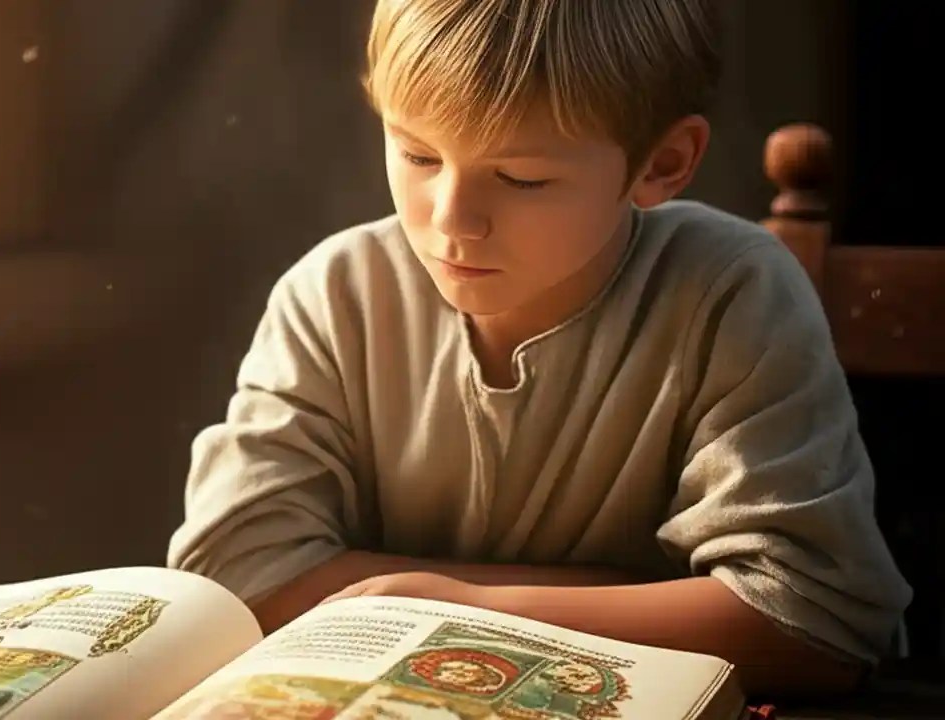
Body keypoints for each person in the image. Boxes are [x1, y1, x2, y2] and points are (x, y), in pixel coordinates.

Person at [167, 0, 911, 699]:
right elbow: (236, 579)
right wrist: (632, 593)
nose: (453, 220)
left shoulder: (730, 293)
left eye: (521, 178)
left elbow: (817, 621)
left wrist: (473, 608)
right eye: (418, 155)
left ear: (662, 163)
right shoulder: (336, 294)